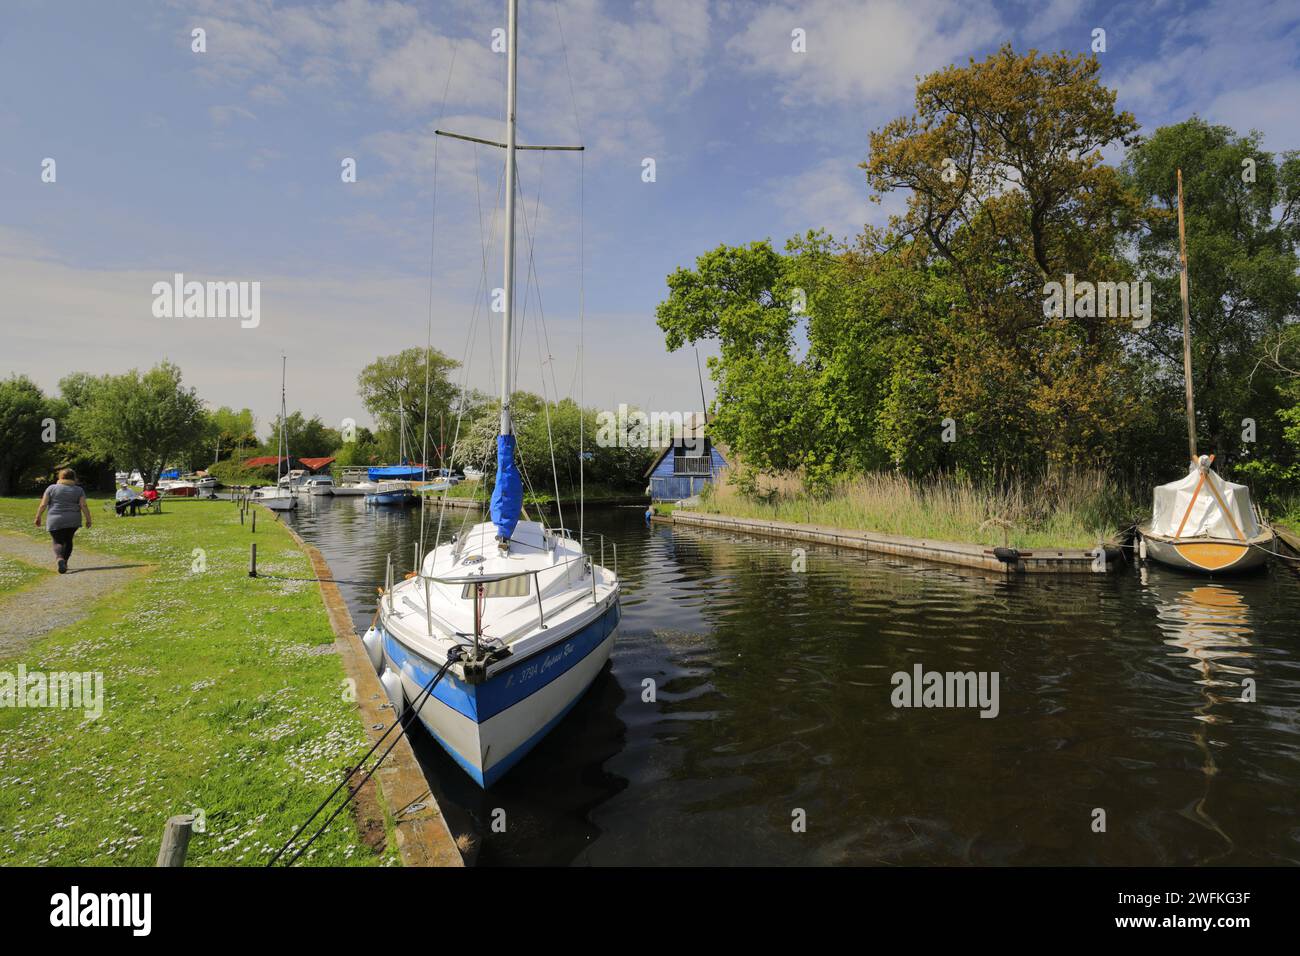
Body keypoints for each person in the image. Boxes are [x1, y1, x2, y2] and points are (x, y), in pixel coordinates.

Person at [34, 468, 93, 573]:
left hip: (55, 519)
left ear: (60, 477)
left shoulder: (51, 488)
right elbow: (83, 505)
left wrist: (38, 516)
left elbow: (43, 504)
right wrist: (88, 519)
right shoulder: (79, 490)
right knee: (68, 540)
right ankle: (64, 562)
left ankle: (59, 558)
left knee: (57, 541)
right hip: (73, 519)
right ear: (74, 478)